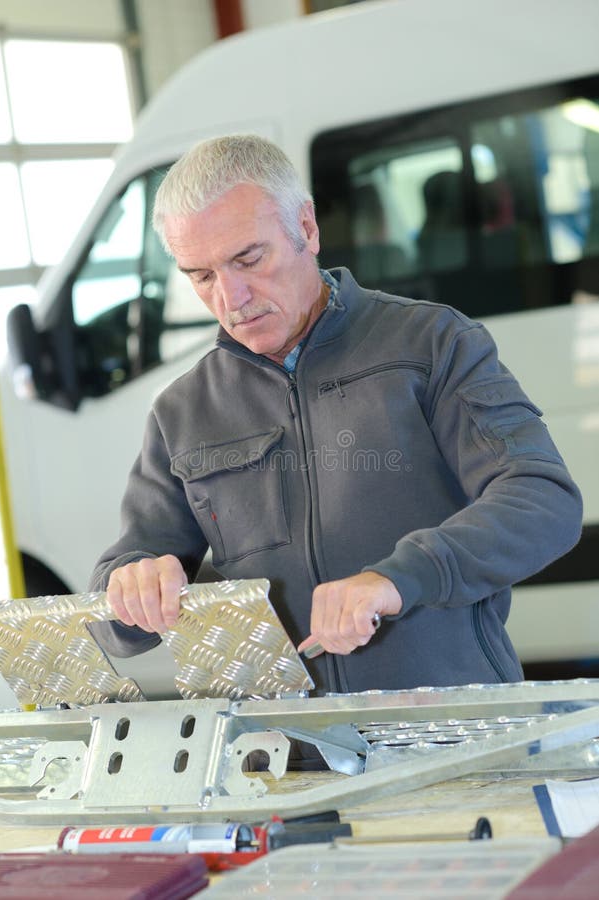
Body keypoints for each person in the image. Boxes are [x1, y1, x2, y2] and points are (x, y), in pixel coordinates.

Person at [89, 134, 582, 696]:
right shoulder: (183, 410)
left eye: (249, 258)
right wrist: (130, 586)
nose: (231, 297)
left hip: (448, 729)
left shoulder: (431, 345)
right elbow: (123, 588)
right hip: (277, 759)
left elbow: (543, 499)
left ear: (307, 228)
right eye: (200, 276)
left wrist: (397, 578)